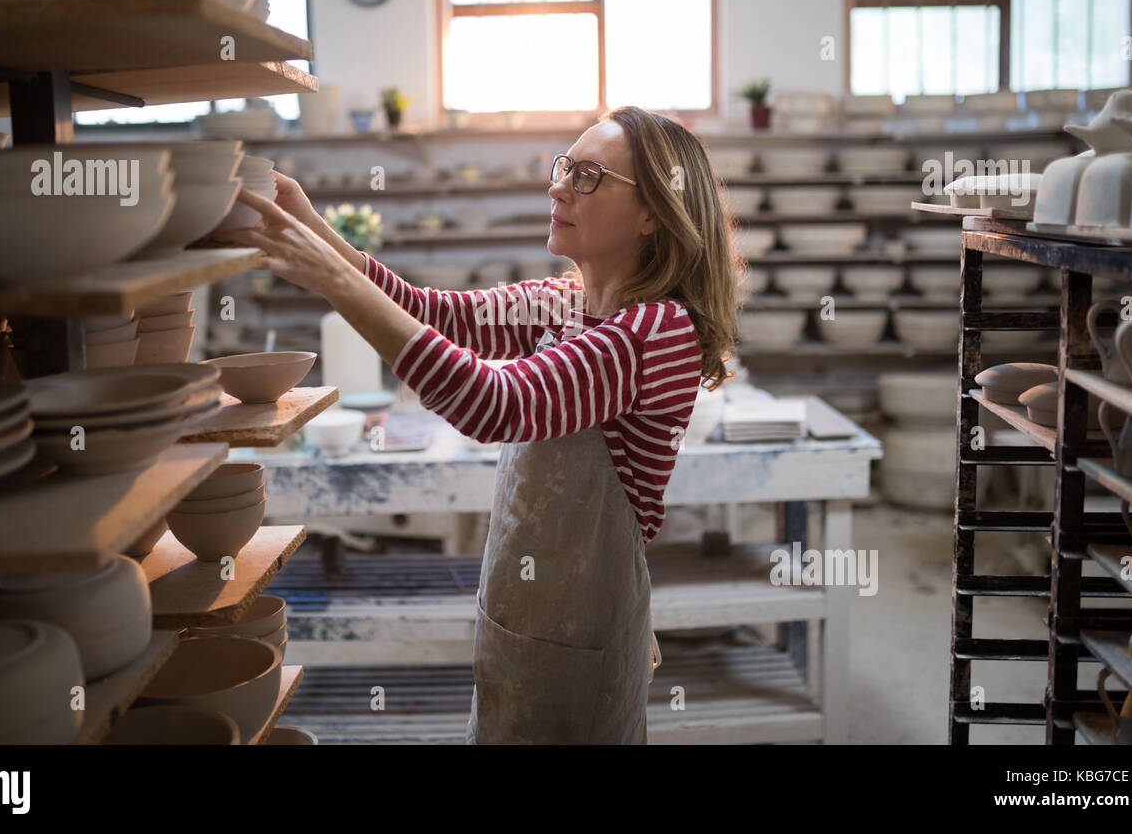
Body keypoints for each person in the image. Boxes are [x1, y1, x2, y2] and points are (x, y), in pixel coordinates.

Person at [215, 104, 742, 744]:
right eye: (563, 168)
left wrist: (331, 279)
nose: (558, 186)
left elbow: (495, 403)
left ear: (653, 213)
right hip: (519, 612)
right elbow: (432, 313)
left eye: (588, 177)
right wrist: (314, 226)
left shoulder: (657, 332)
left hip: (585, 628)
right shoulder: (562, 302)